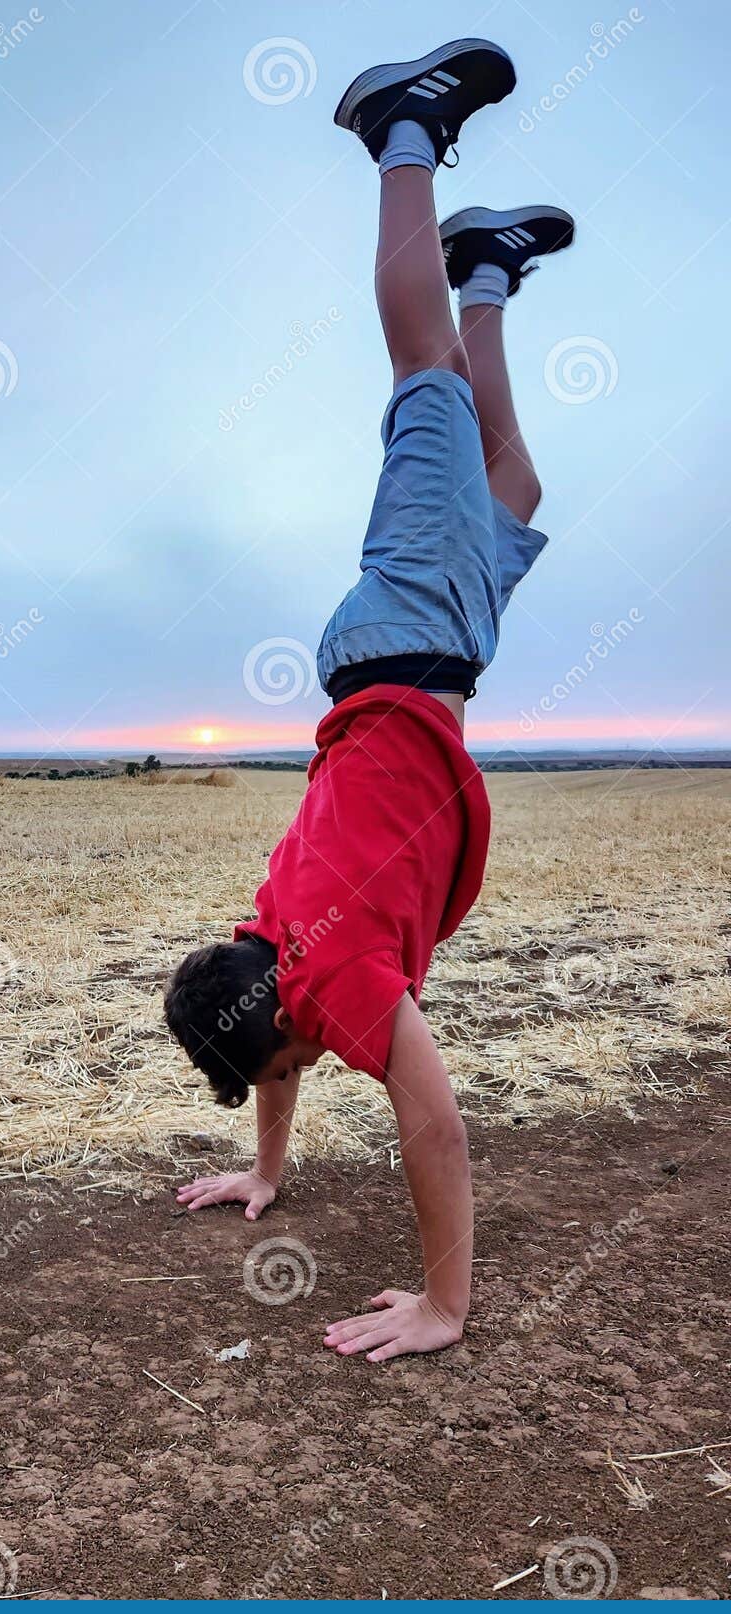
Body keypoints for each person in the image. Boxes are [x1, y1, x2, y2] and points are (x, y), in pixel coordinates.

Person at [163, 39, 575, 1361]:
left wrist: (444, 1305)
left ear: (280, 1012)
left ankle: (397, 129)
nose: (281, 1082)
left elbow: (433, 1117)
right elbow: (276, 1049)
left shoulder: (324, 968)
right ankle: (489, 270)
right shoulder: (275, 937)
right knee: (514, 488)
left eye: (273, 1070)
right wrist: (264, 1173)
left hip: (408, 636)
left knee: (424, 382)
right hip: (428, 650)